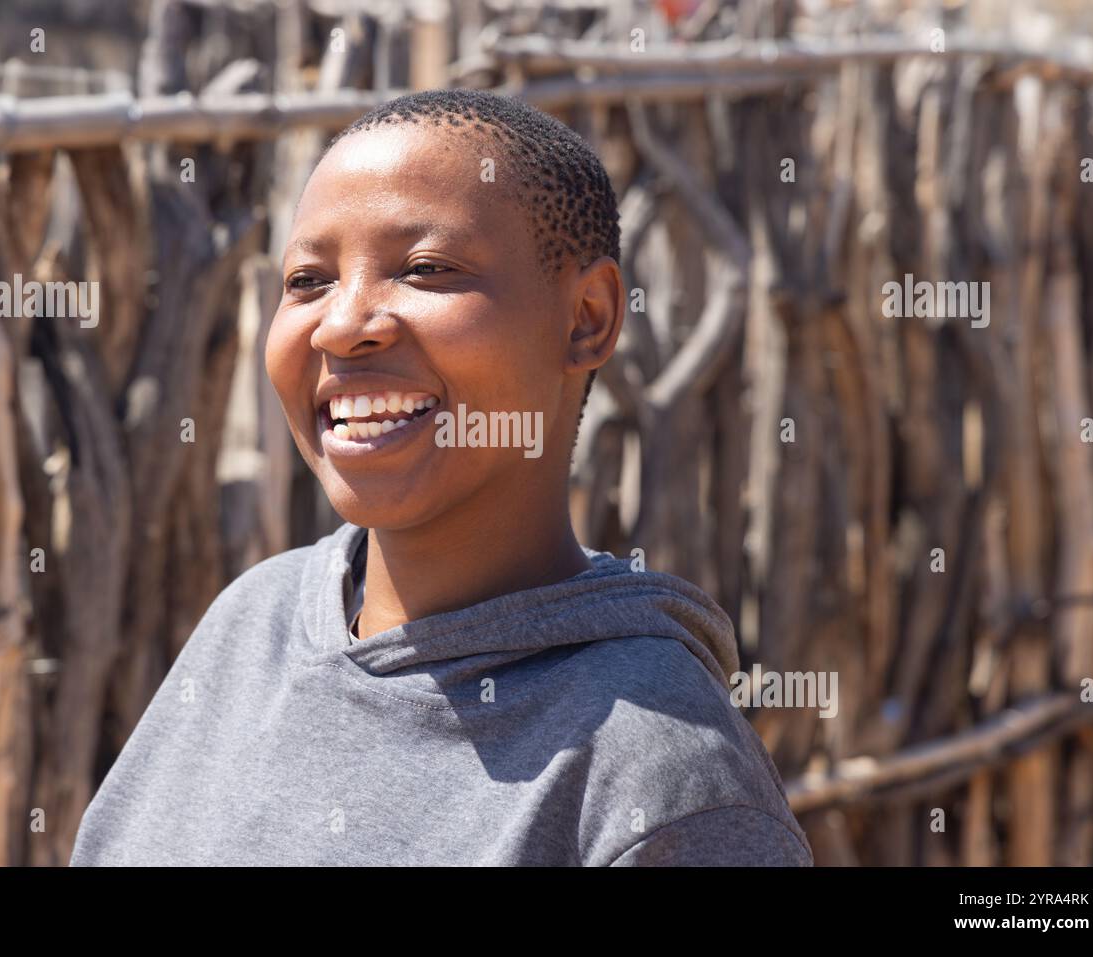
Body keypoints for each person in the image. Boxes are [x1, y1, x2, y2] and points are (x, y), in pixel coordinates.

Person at [70, 88, 812, 866]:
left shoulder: (662, 783)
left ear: (587, 317)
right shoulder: (255, 623)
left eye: (424, 269)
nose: (344, 323)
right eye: (307, 280)